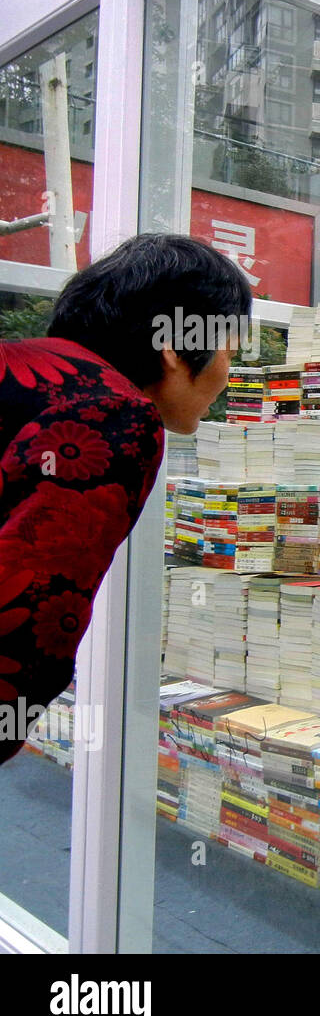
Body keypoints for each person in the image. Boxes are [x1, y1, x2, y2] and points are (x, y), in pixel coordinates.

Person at [0, 234, 251, 764]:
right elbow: (30, 614)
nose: (229, 373)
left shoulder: (30, 376)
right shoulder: (112, 414)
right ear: (176, 348)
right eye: (229, 348)